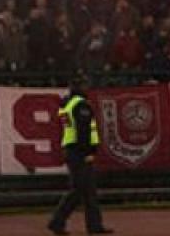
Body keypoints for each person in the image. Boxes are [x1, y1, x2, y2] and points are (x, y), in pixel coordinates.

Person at [48, 73, 113, 235]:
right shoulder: (81, 105)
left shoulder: (67, 104)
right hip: (79, 151)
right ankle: (58, 221)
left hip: (71, 149)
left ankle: (93, 224)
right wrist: (89, 151)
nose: (87, 87)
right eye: (84, 85)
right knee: (80, 190)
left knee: (86, 190)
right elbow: (84, 130)